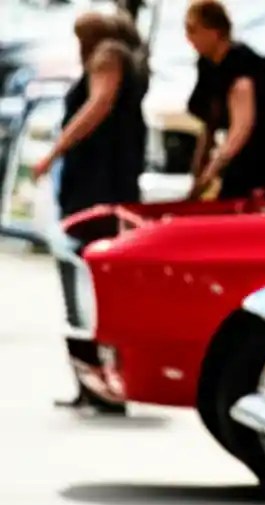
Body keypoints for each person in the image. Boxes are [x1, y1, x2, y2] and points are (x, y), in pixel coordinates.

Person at [31, 11, 146, 414]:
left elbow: (97, 104)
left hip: (95, 191)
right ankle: (91, 377)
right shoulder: (126, 59)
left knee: (83, 284)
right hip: (100, 188)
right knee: (87, 284)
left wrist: (54, 150)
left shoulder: (108, 58)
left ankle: (99, 378)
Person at [184, 0, 265, 200]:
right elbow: (210, 122)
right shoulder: (208, 66)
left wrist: (208, 176)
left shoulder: (242, 66)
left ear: (214, 32)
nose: (188, 38)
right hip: (246, 162)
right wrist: (197, 174)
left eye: (193, 30)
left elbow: (240, 129)